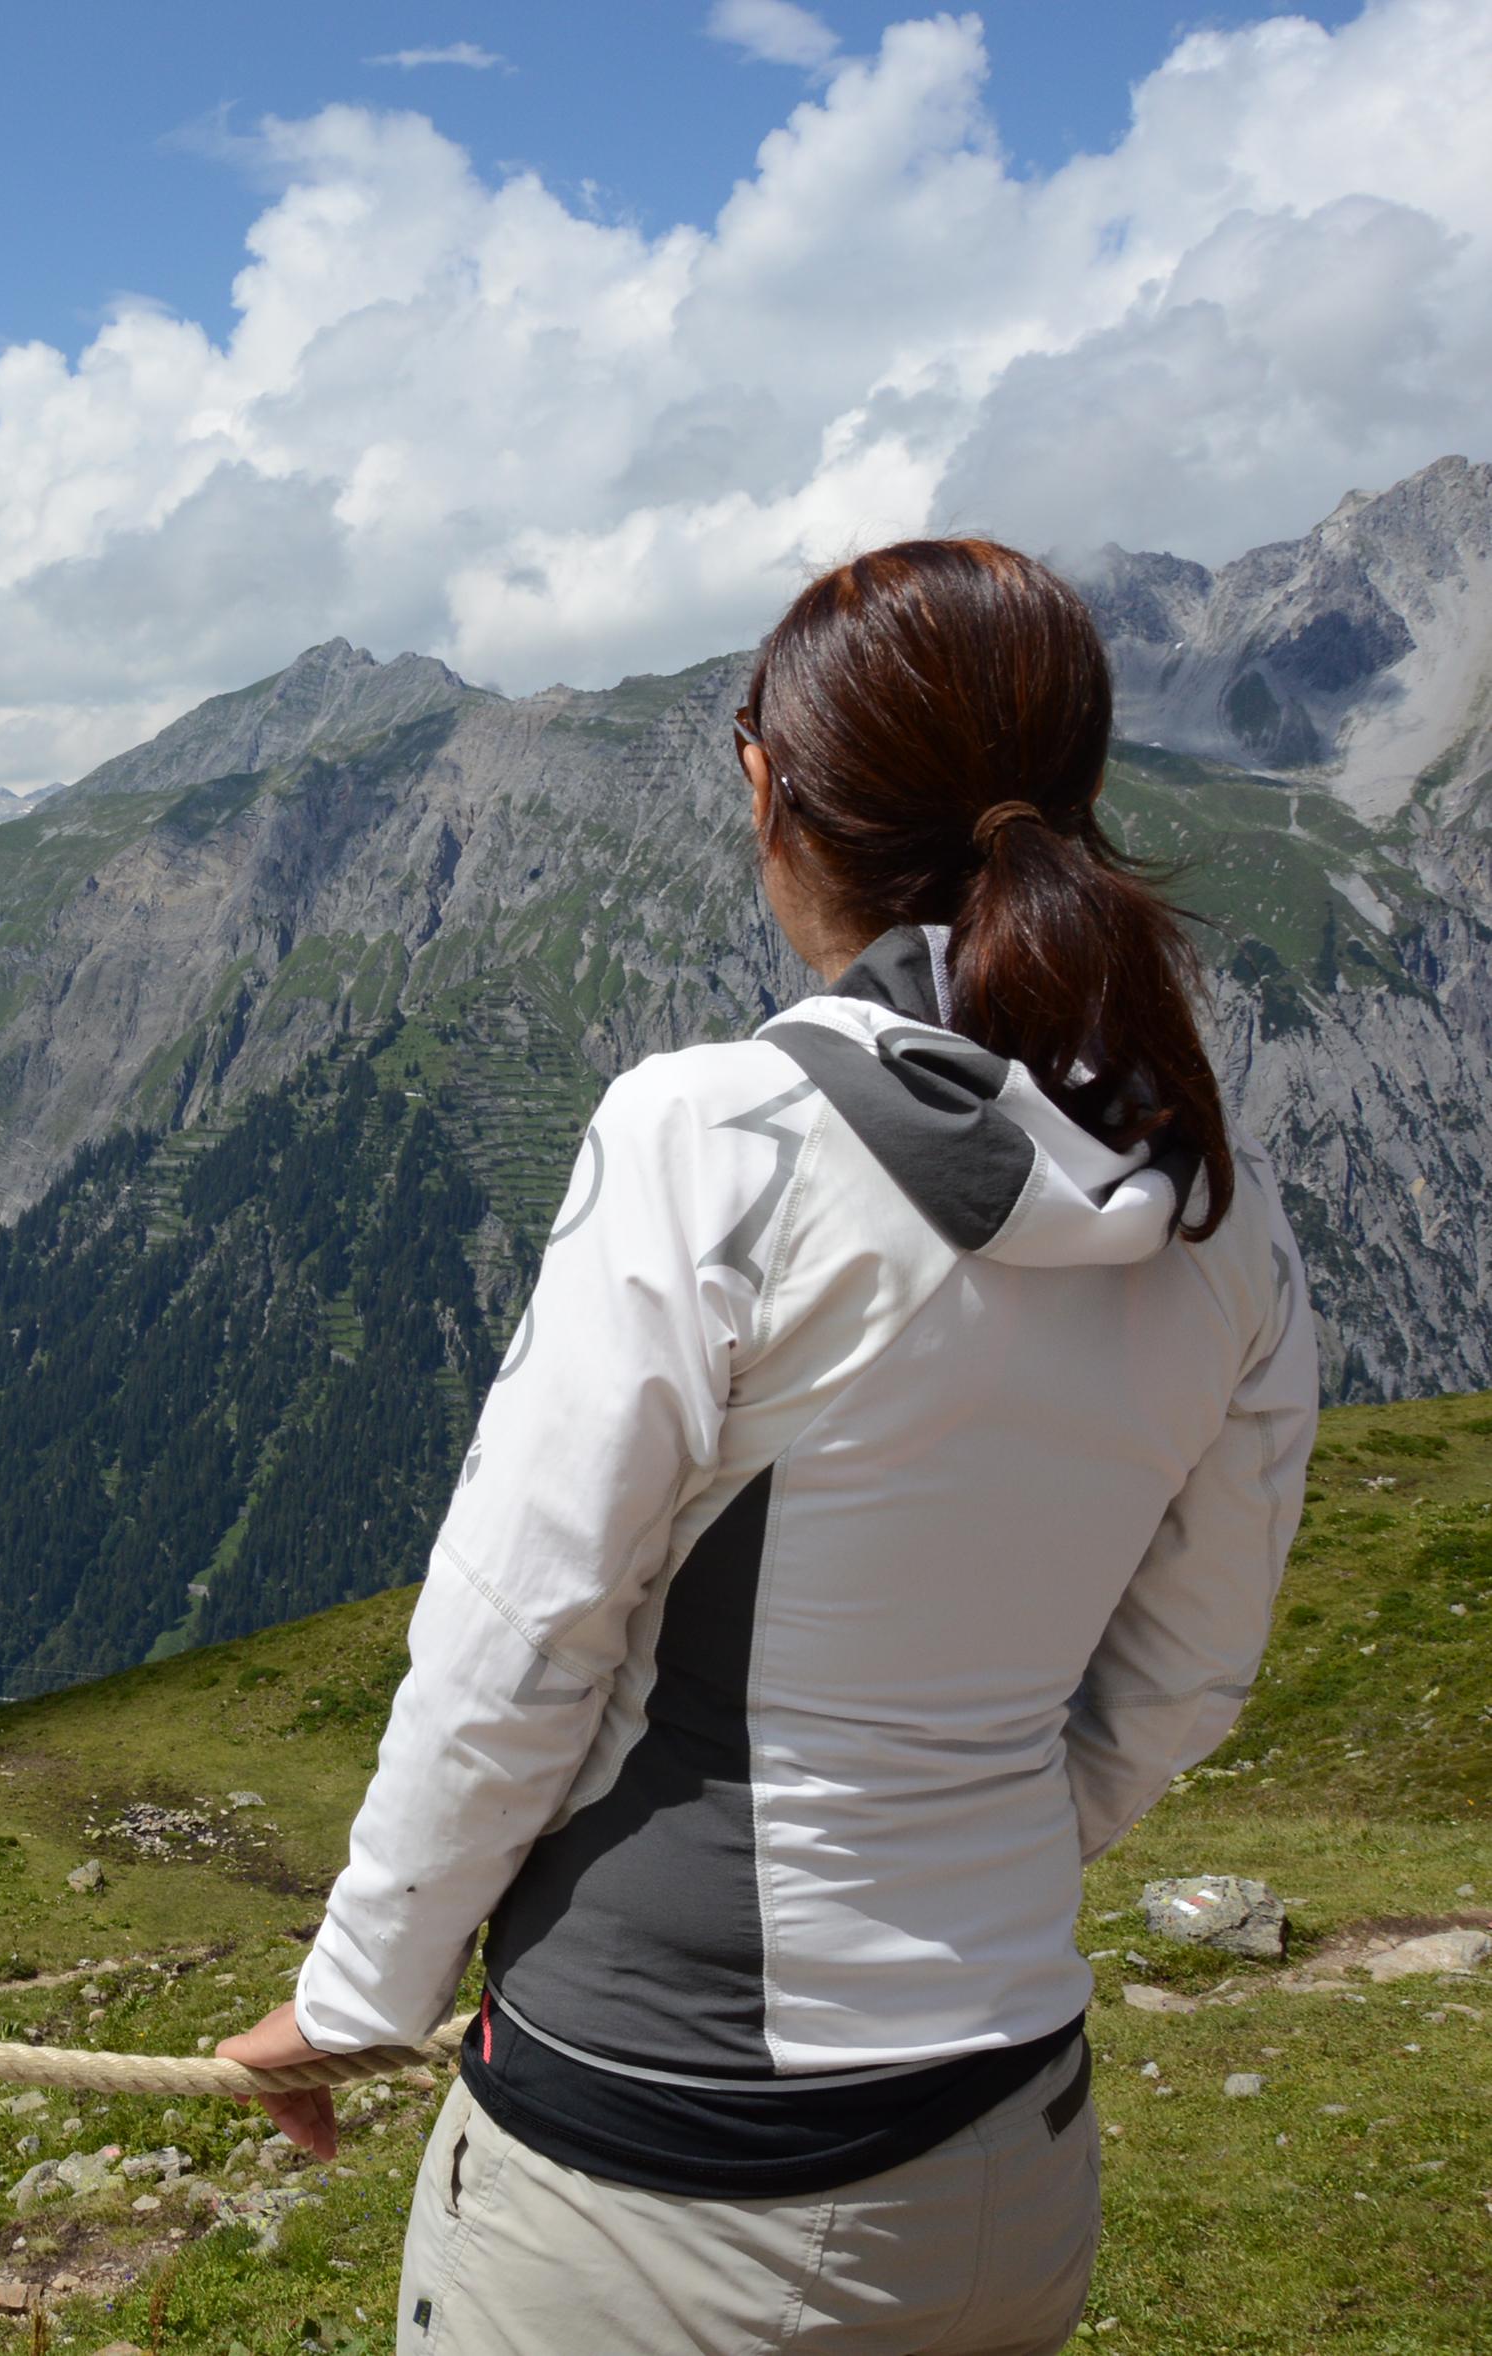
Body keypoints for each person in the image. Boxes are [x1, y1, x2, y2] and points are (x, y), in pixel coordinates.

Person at [217, 538, 1317, 2355]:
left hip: (666, 2165)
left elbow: (522, 1631)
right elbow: (1191, 1670)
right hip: (1010, 2149)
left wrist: (357, 1996)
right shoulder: (1217, 1208)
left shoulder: (713, 1137)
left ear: (769, 783)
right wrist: (978, 1876)